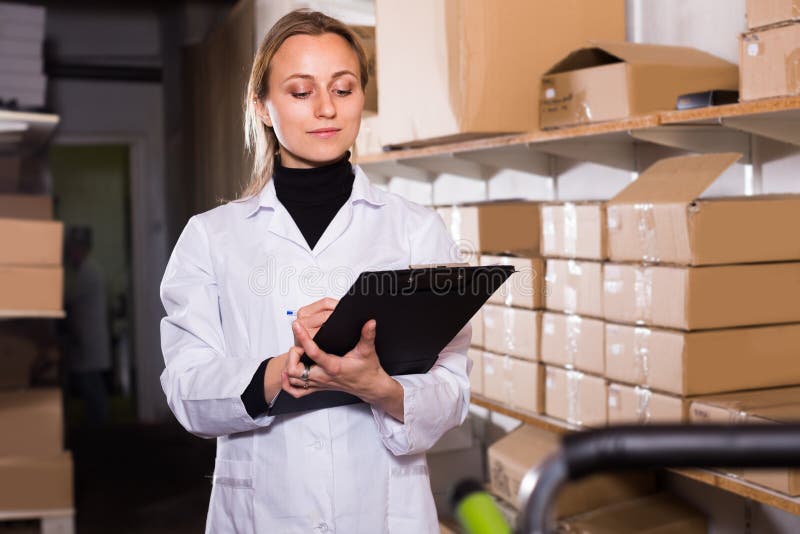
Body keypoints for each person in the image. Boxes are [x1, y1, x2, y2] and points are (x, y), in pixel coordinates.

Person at [159, 9, 471, 533]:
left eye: (343, 89)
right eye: (301, 92)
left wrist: (380, 388)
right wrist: (282, 370)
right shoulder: (211, 237)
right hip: (263, 511)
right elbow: (186, 389)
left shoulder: (416, 229)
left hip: (384, 512)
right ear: (262, 106)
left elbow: (453, 389)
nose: (326, 108)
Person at [63, 226, 111, 425]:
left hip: (90, 339)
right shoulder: (81, 271)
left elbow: (67, 296)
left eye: (75, 248)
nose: (72, 252)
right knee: (89, 387)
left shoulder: (90, 272)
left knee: (93, 388)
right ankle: (98, 427)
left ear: (83, 248)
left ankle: (102, 430)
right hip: (84, 339)